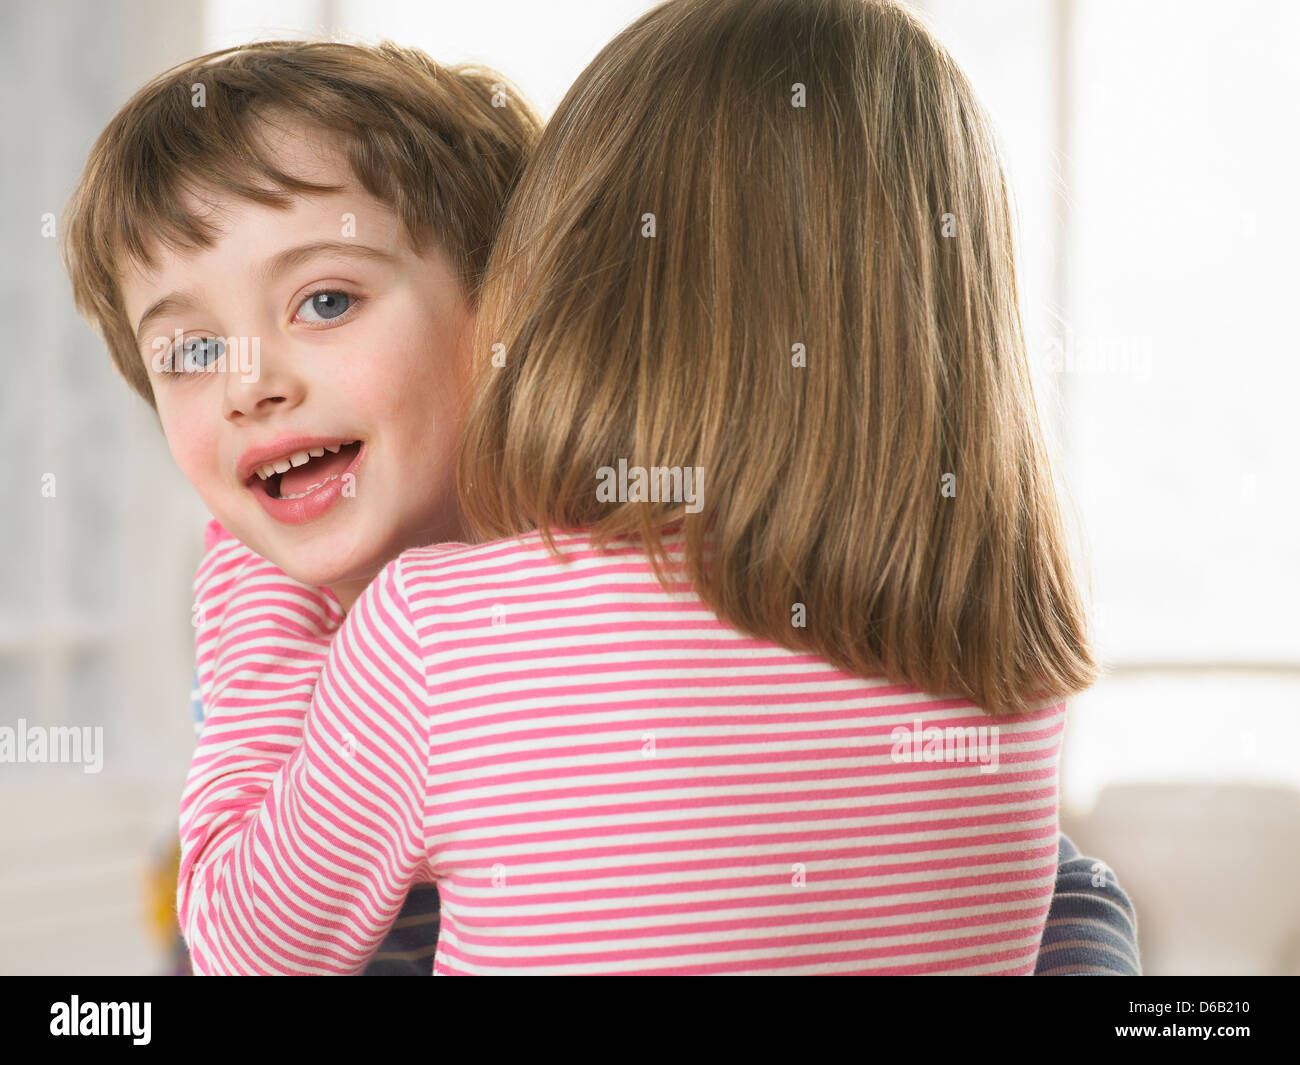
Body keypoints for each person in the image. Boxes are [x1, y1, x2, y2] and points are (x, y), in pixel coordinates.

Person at [171, 0, 1111, 974]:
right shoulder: (1011, 660)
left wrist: (259, 591)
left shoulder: (437, 637)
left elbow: (248, 946)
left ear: (570, 268)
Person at [61, 38, 540, 975]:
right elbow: (254, 947)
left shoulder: (604, 551)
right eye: (191, 352)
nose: (248, 386)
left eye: (324, 300)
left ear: (506, 309)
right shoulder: (254, 595)